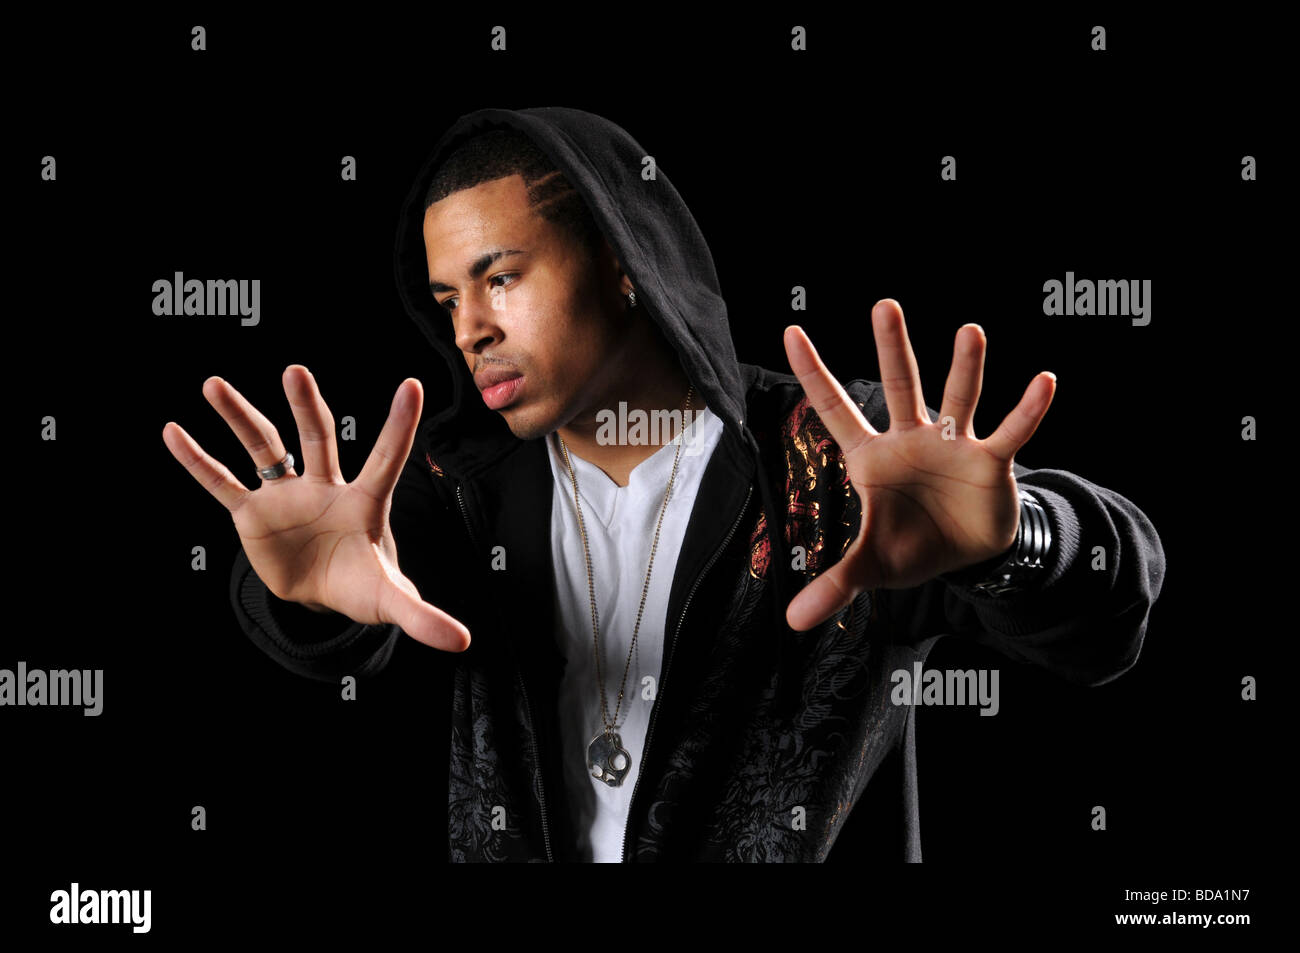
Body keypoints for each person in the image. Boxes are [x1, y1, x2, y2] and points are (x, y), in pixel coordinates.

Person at [161, 106, 1166, 862]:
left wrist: (1017, 539)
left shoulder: (839, 456)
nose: (470, 326)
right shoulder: (453, 485)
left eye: (500, 276)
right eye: (447, 296)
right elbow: (338, 611)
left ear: (622, 261)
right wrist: (292, 593)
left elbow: (1108, 612)